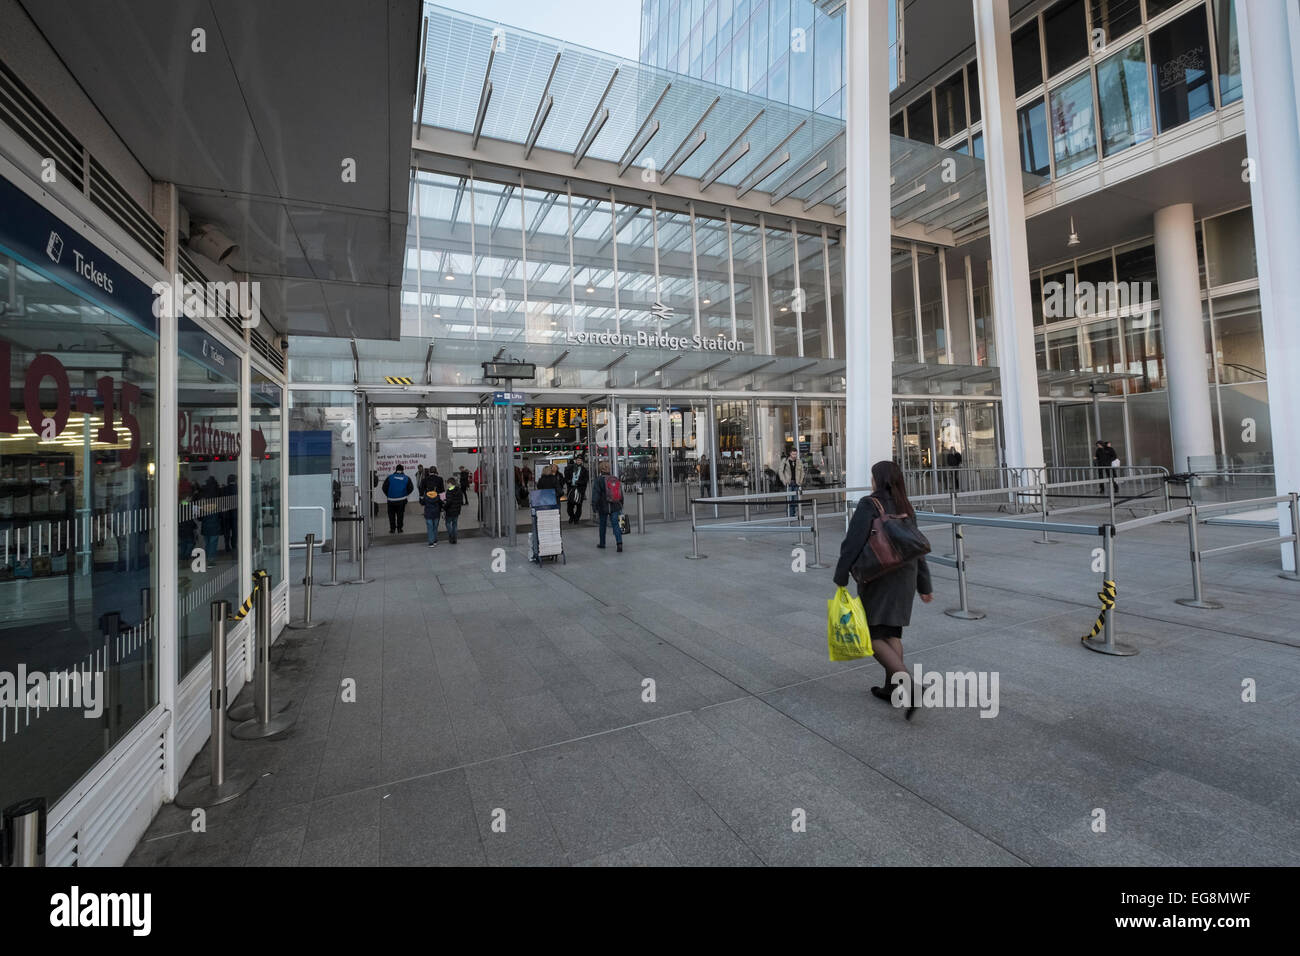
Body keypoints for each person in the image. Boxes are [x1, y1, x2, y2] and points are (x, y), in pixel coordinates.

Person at [833, 460, 933, 720]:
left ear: (878, 479)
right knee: (891, 632)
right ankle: (891, 689)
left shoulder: (870, 504)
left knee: (871, 634)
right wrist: (924, 585)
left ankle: (909, 685)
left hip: (879, 574)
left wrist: (841, 573)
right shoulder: (905, 506)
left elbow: (853, 542)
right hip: (906, 575)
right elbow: (917, 547)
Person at [590, 461, 624, 553]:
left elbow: (596, 494)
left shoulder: (598, 480)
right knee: (616, 525)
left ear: (600, 469)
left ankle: (602, 543)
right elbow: (620, 493)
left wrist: (594, 505)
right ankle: (619, 543)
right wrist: (621, 504)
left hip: (603, 506)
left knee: (602, 525)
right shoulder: (615, 478)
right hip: (615, 505)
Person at [382, 464, 414, 533]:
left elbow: (384, 488)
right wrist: (405, 494)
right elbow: (411, 488)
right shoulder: (406, 478)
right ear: (403, 470)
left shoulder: (390, 477)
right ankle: (399, 529)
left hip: (391, 500)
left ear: (396, 469)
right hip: (401, 500)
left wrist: (388, 495)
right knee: (400, 515)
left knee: (391, 515)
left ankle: (392, 529)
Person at [419, 466, 444, 547]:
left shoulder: (424, 480)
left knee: (429, 524)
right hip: (437, 504)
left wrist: (422, 501)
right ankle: (435, 540)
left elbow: (421, 492)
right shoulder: (440, 479)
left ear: (429, 471)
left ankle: (431, 542)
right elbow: (442, 491)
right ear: (436, 471)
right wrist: (443, 503)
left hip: (428, 504)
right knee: (435, 524)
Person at [563, 455, 589, 525]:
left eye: (580, 460)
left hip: (580, 489)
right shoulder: (569, 468)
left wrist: (579, 482)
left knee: (579, 505)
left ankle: (576, 519)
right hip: (571, 488)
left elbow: (585, 480)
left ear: (582, 461)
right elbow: (566, 477)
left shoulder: (584, 470)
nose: (579, 461)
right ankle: (572, 517)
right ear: (575, 460)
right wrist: (568, 481)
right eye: (577, 460)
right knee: (570, 505)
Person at [779, 448, 803, 517]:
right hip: (788, 483)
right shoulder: (785, 461)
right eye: (793, 454)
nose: (794, 455)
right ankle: (790, 515)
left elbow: (802, 472)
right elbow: (780, 471)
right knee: (789, 500)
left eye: (795, 454)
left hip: (796, 483)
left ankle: (793, 513)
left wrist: (800, 481)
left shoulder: (799, 461)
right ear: (790, 453)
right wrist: (784, 480)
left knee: (795, 500)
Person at [441, 474, 465, 544]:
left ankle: (451, 536)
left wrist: (444, 507)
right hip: (457, 510)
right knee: (455, 524)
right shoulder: (459, 490)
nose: (447, 485)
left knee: (448, 523)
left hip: (450, 511)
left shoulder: (449, 490)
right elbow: (461, 501)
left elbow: (449, 502)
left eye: (447, 484)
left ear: (450, 483)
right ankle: (455, 538)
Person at [222, 474, 237, 552]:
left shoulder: (224, 489)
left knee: (226, 531)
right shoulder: (238, 488)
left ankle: (227, 545)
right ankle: (234, 545)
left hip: (226, 514)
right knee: (235, 530)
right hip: (235, 514)